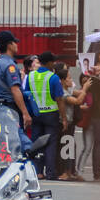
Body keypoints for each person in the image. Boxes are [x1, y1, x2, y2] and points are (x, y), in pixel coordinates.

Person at [26, 52, 64, 180]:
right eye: (52, 62)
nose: (53, 64)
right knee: (51, 144)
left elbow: (26, 94)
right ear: (48, 63)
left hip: (36, 114)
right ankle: (50, 173)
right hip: (51, 114)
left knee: (36, 143)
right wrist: (64, 118)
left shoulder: (30, 76)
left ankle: (37, 172)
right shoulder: (53, 77)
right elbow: (59, 99)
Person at [0, 31, 33, 131]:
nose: (16, 45)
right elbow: (15, 90)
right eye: (14, 42)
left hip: (0, 107)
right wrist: (25, 113)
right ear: (9, 45)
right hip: (11, 108)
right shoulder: (10, 65)